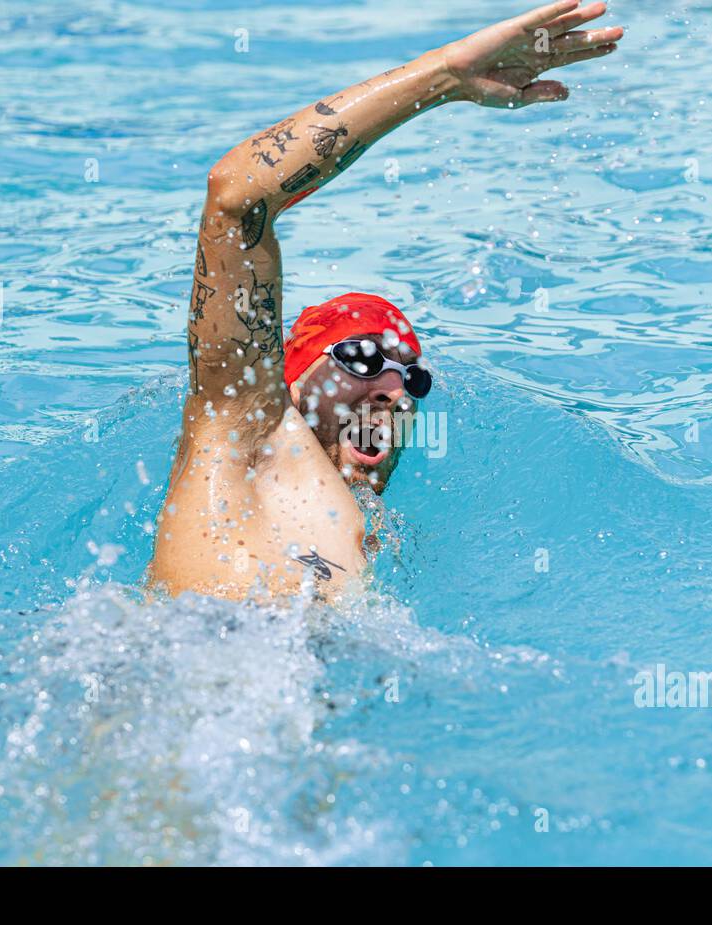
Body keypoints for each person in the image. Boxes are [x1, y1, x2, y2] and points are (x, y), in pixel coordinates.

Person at [148, 0, 624, 600]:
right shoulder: (243, 435)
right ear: (293, 382)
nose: (395, 391)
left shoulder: (362, 540)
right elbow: (238, 197)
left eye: (413, 378)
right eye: (363, 358)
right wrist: (442, 78)